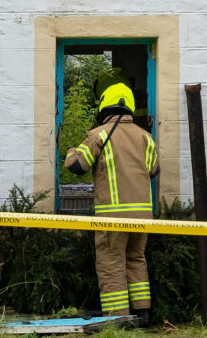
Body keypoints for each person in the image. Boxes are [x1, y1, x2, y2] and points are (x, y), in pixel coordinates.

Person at [63, 82, 158, 322]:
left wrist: (71, 150)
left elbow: (77, 166)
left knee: (111, 262)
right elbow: (154, 170)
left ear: (105, 106)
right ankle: (143, 312)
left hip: (112, 216)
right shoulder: (146, 137)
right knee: (136, 258)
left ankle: (117, 318)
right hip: (143, 216)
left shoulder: (99, 134)